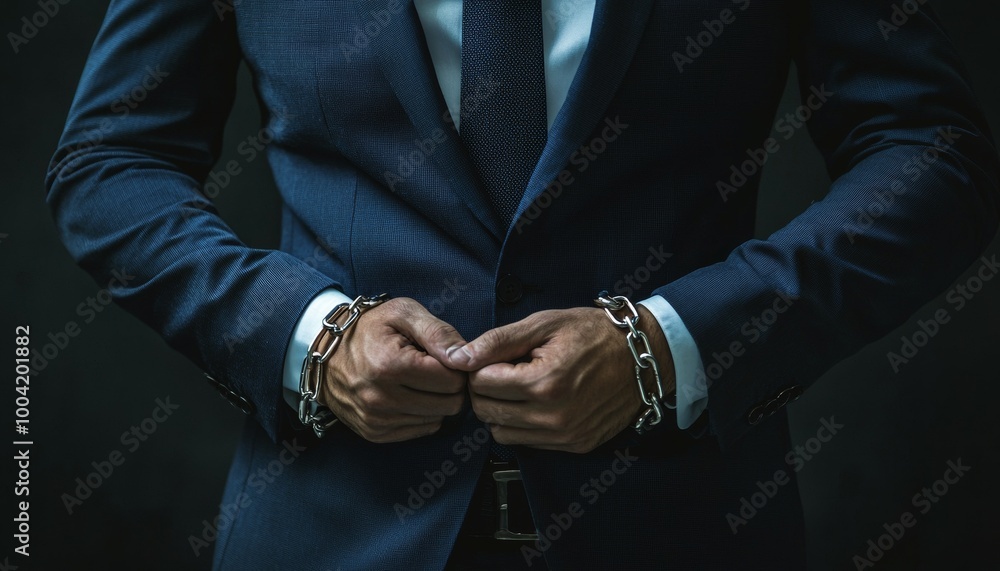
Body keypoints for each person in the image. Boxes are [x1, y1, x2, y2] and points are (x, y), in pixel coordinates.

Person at [46, 0, 999, 569]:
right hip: (329, 534)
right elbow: (110, 160)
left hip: (682, 532)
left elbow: (931, 151)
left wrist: (671, 346)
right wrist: (307, 336)